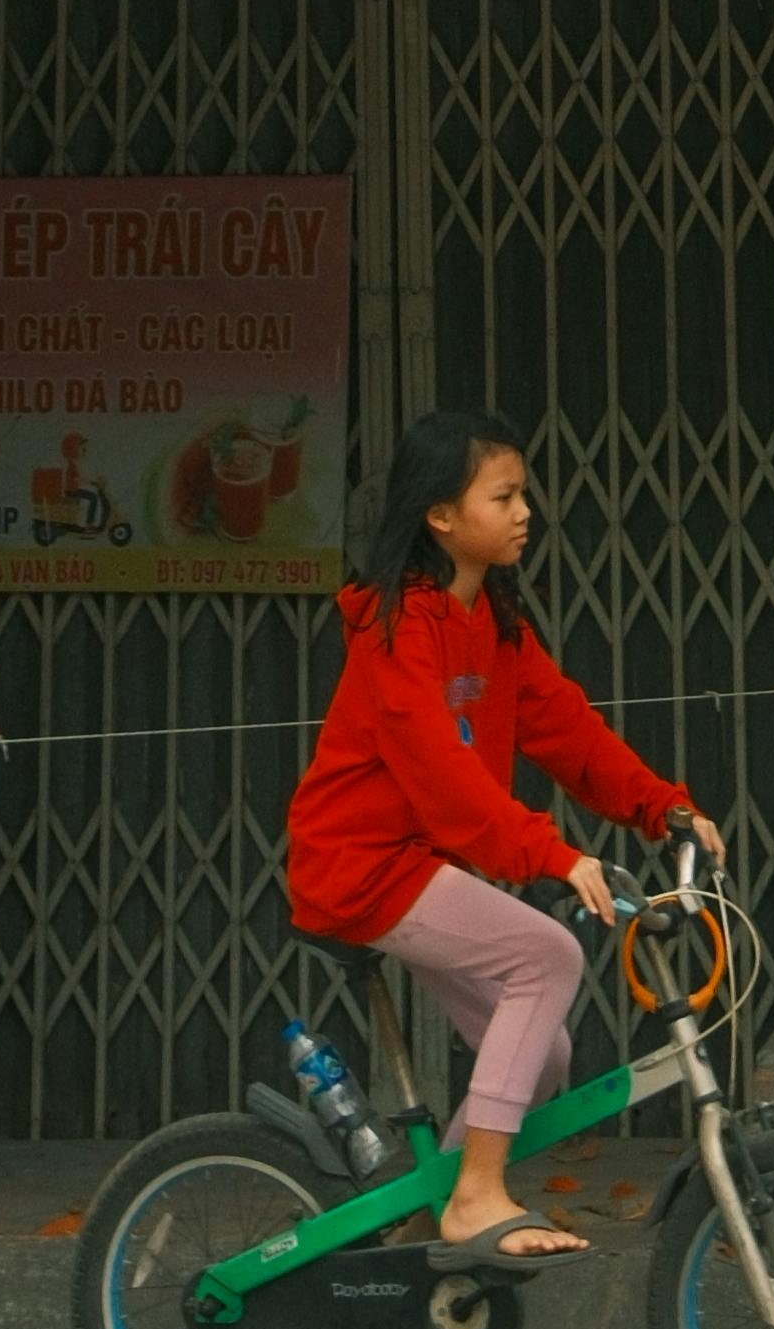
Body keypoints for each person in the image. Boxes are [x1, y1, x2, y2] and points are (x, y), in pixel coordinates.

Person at [283, 411, 695, 1262]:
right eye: (503, 496)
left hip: (421, 865)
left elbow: (566, 731)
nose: (524, 513)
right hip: (361, 866)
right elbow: (443, 779)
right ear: (441, 515)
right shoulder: (399, 628)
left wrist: (663, 808)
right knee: (547, 957)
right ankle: (474, 1197)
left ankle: (427, 1212)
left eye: (523, 496)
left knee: (544, 1059)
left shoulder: (493, 623)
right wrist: (552, 854)